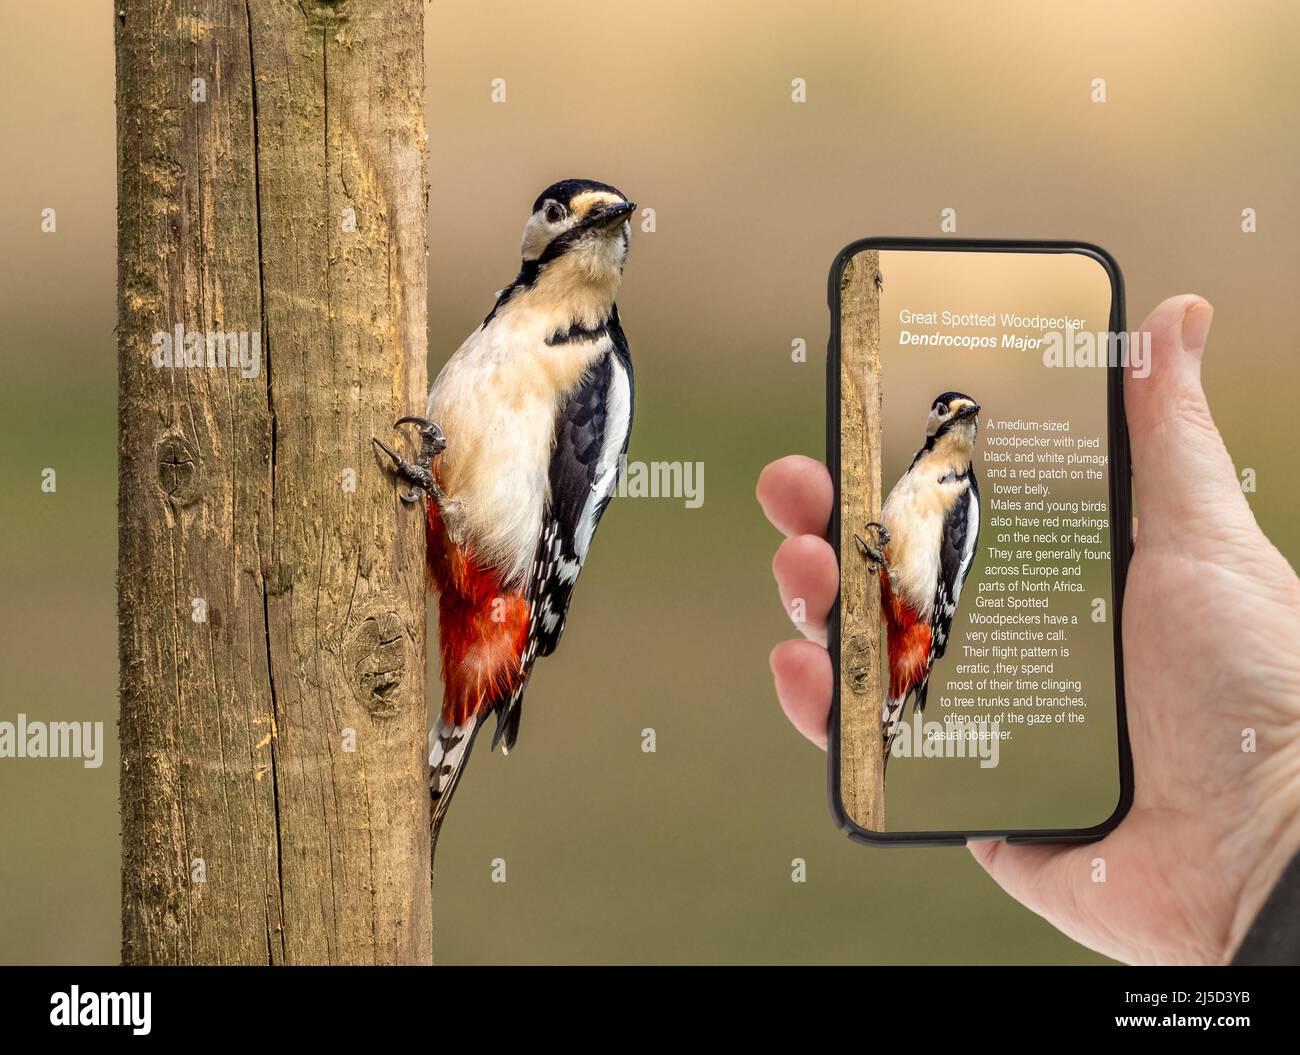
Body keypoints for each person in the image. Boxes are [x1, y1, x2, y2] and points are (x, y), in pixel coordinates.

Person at [757, 295, 1300, 965]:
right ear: (934, 425)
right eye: (948, 413)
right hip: (902, 616)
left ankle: (884, 723)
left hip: (915, 623)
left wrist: (1272, 822)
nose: (959, 421)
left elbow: (932, 591)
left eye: (967, 416)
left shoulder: (961, 496)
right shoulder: (918, 478)